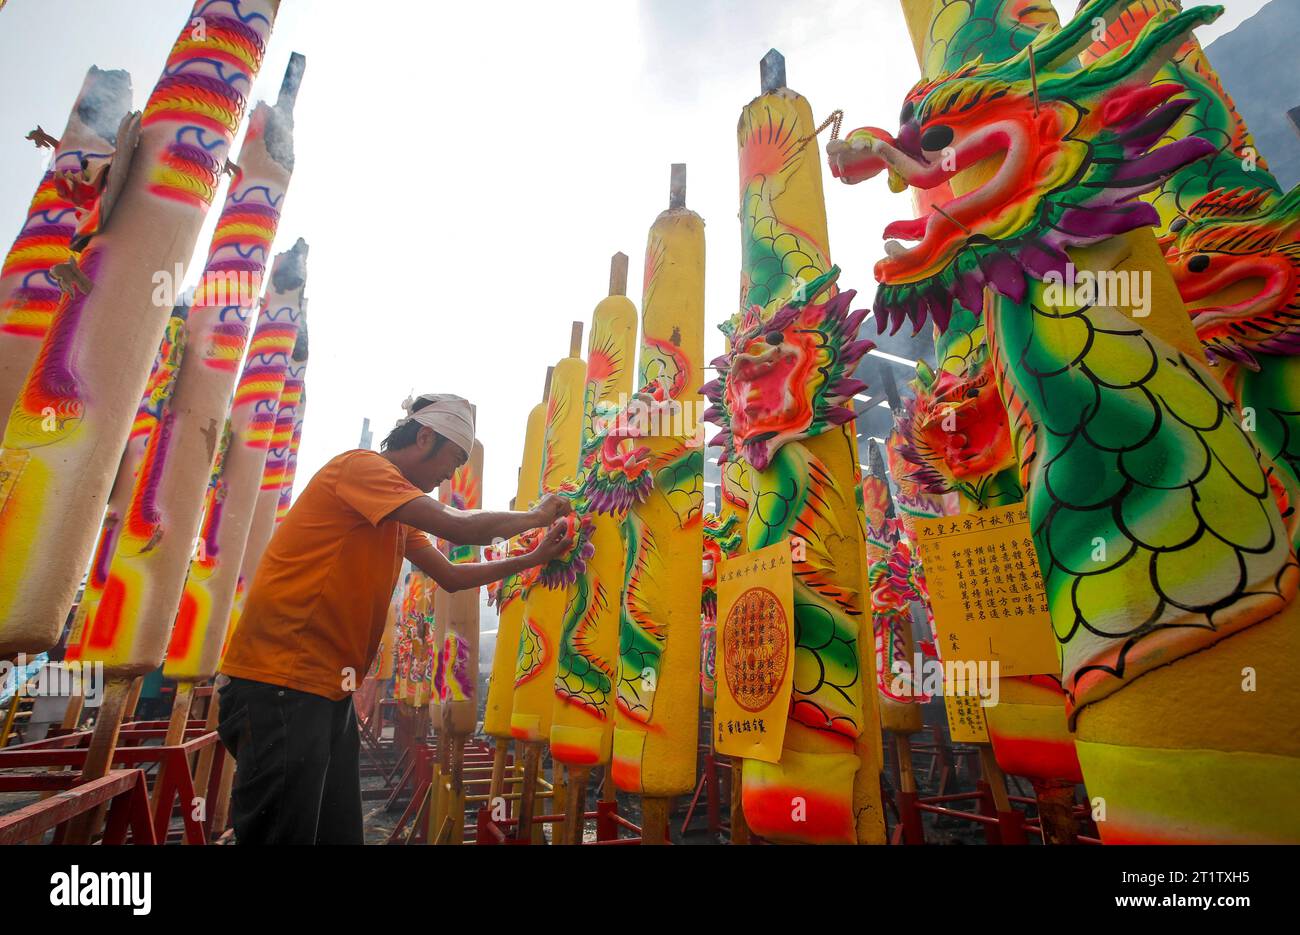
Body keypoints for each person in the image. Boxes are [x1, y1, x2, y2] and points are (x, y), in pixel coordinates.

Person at [216, 393, 571, 844]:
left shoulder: (397, 514)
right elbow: (458, 525)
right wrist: (537, 516)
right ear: (424, 437)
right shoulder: (363, 469)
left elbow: (452, 576)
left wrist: (534, 558)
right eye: (453, 458)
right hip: (282, 682)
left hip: (325, 689)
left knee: (337, 833)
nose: (452, 473)